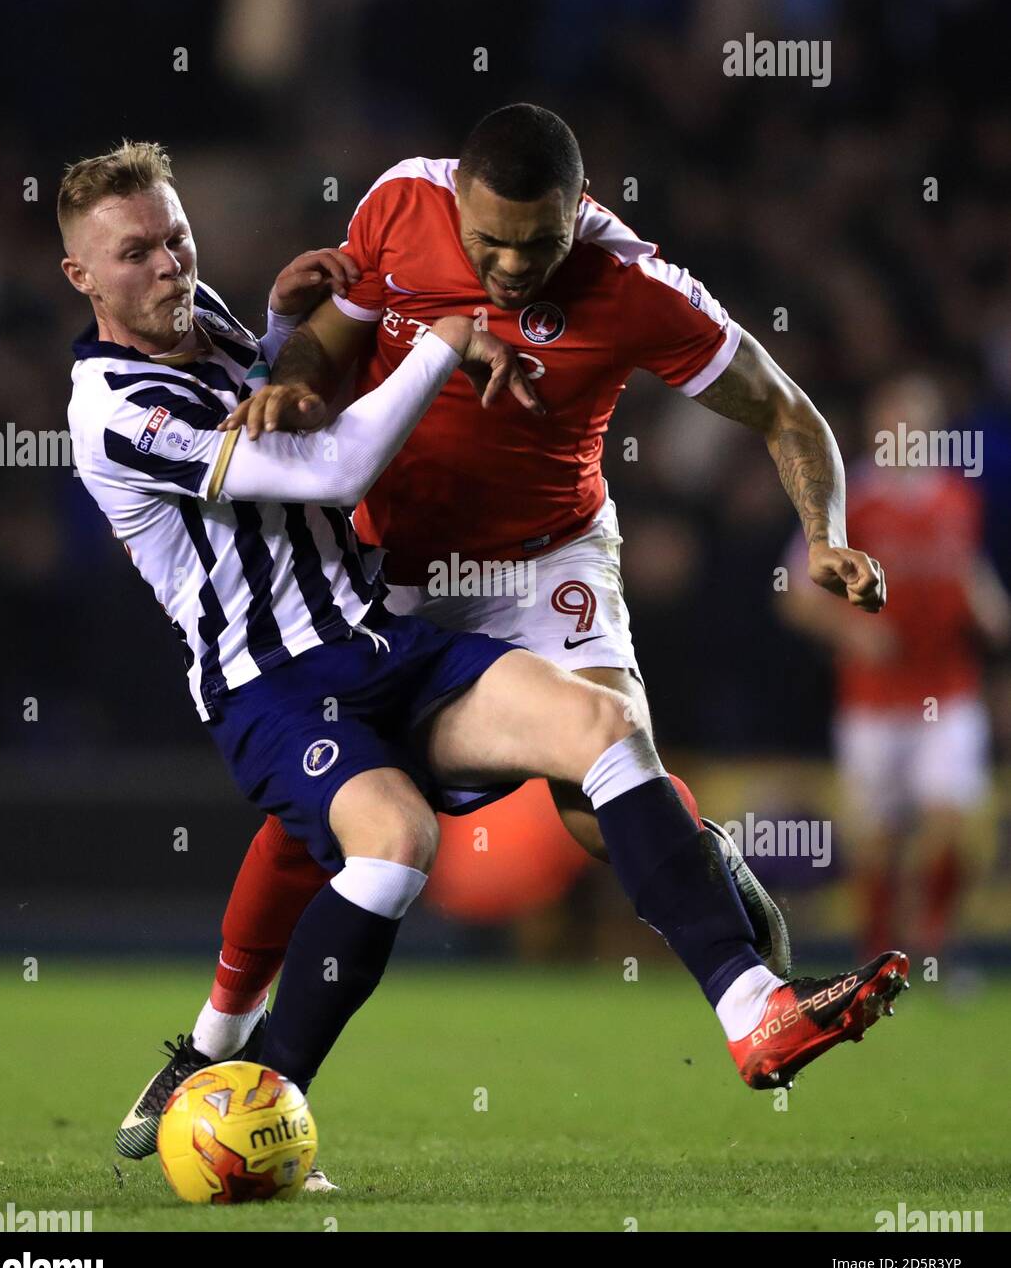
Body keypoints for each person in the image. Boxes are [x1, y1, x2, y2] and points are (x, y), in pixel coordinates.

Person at [61, 141, 906, 1181]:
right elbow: (326, 463)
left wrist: (284, 328)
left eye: (177, 239)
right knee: (382, 836)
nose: (170, 265)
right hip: (286, 669)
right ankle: (240, 1077)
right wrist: (445, 342)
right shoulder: (114, 405)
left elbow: (293, 383)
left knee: (603, 738)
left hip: (425, 612)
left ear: (579, 211)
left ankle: (755, 1010)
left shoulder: (220, 330)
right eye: (137, 251)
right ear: (82, 277)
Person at [782, 374, 1010, 961]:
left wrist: (988, 610)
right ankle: (881, 950)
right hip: (873, 697)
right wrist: (853, 630)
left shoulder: (957, 499)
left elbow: (964, 569)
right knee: (878, 838)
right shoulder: (845, 496)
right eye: (892, 423)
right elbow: (794, 594)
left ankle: (934, 940)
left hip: (947, 689)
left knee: (951, 818)